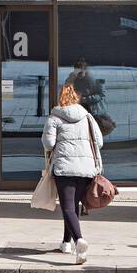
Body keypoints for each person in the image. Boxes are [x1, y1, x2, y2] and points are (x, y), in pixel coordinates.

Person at [41, 83, 104, 263]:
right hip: (86, 169)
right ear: (76, 98)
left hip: (64, 168)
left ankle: (79, 241)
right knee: (73, 206)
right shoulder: (88, 117)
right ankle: (66, 242)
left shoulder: (54, 117)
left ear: (60, 99)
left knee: (68, 207)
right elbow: (99, 142)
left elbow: (48, 144)